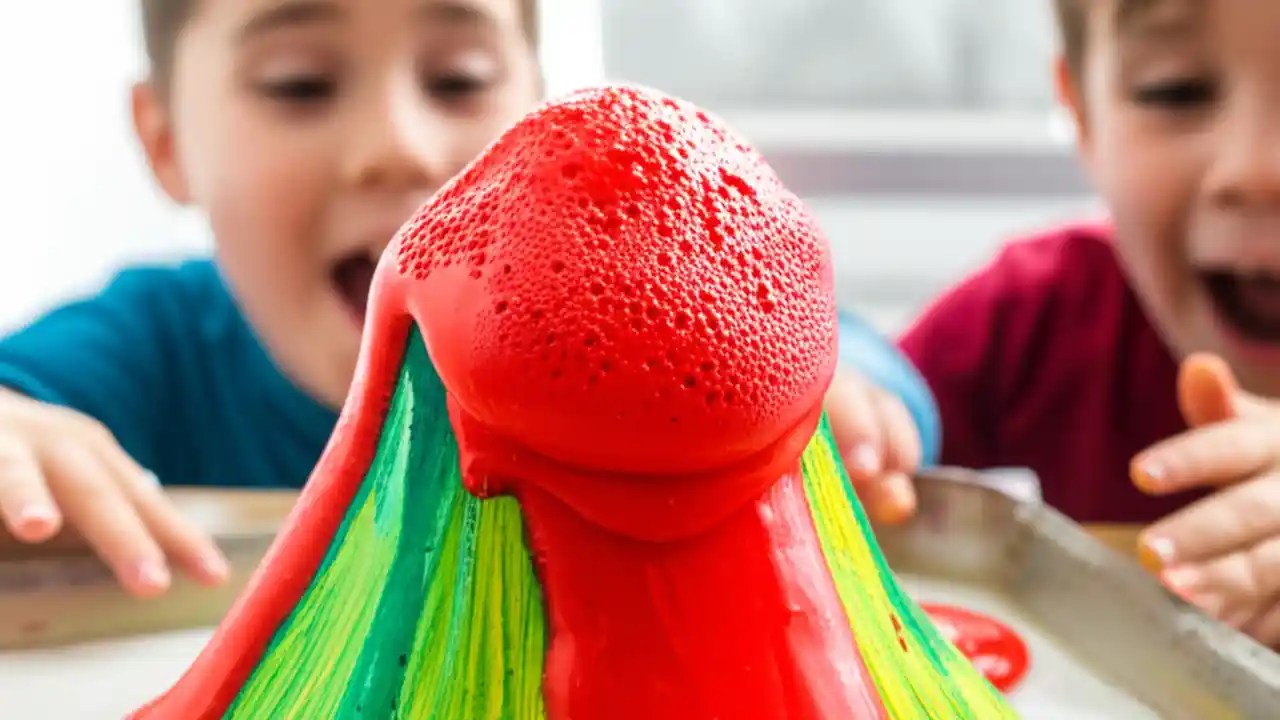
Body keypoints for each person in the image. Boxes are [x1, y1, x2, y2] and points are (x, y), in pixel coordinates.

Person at [0, 0, 932, 599]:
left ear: (536, 102)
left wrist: (839, 391)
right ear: (164, 142)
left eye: (459, 81)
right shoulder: (151, 348)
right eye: (300, 86)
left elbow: (859, 362)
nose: (399, 145)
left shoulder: (623, 315)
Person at [897, 0, 1280, 646]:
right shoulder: (1031, 320)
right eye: (1175, 90)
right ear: (1082, 116)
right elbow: (873, 404)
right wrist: (848, 397)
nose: (1258, 169)